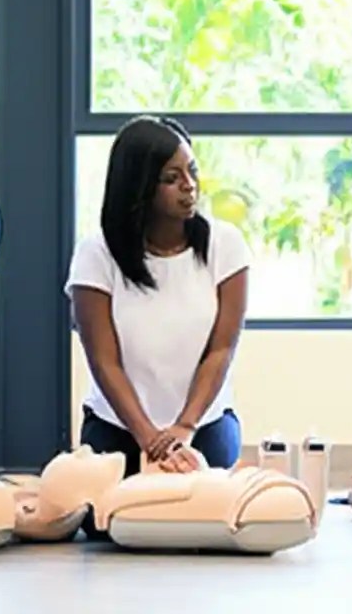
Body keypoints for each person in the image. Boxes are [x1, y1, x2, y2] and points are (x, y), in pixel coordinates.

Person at [65, 115, 251, 503]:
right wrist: (149, 438)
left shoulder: (225, 245)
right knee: (108, 521)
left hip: (203, 422)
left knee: (202, 511)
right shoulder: (96, 254)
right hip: (119, 424)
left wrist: (184, 427)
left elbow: (221, 350)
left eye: (192, 171)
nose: (189, 185)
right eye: (171, 178)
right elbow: (104, 362)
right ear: (139, 187)